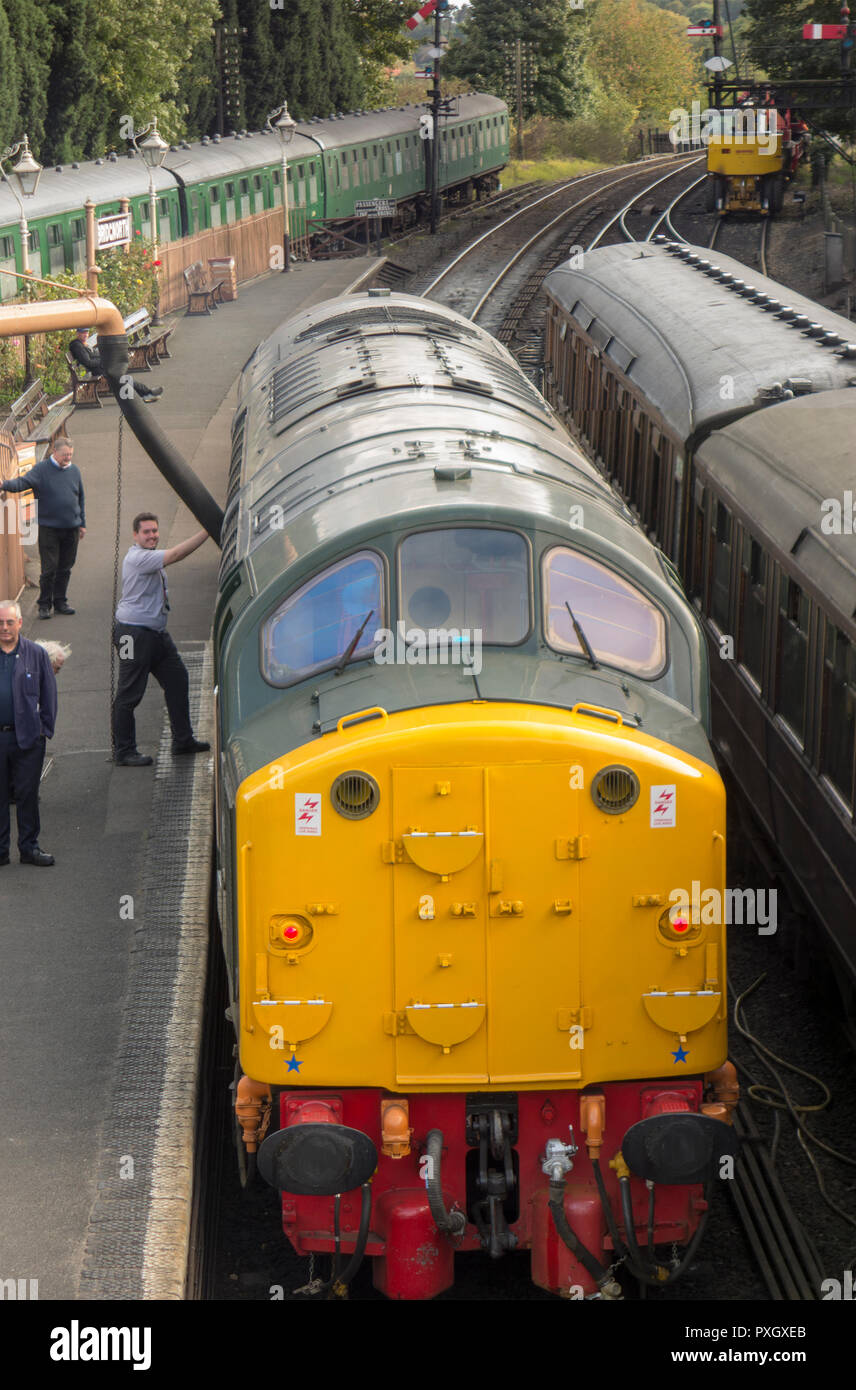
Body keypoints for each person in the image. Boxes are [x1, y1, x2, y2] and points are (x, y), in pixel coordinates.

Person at [112, 512, 211, 767]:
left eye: (155, 531)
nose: (152, 536)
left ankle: (183, 740)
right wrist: (208, 530)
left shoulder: (149, 557)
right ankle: (124, 750)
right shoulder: (139, 557)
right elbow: (177, 554)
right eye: (146, 532)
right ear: (135, 535)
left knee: (178, 679)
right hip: (131, 634)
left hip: (155, 634)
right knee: (128, 692)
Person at [0, 438, 85, 618]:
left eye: (70, 454)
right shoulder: (41, 470)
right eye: (65, 455)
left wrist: (82, 523)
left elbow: (80, 498)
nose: (68, 458)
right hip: (49, 529)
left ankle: (60, 602)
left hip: (72, 528)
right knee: (49, 569)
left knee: (66, 567)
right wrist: (4, 485)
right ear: (54, 452)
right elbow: (21, 483)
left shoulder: (74, 471)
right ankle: (44, 605)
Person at [0, 599, 57, 866]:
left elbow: (49, 695)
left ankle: (29, 848)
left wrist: (44, 730)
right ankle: (1, 851)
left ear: (20, 623)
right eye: (0, 623)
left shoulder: (36, 654)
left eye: (10, 622)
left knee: (27, 795)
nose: (5, 628)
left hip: (28, 738)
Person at [69, 328, 163, 404]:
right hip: (100, 370)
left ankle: (146, 393)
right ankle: (147, 393)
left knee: (124, 377)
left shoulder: (82, 344)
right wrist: (103, 360)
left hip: (103, 367)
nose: (85, 335)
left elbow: (93, 357)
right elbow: (88, 362)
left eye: (87, 332)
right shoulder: (77, 346)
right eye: (83, 333)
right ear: (77, 334)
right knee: (124, 378)